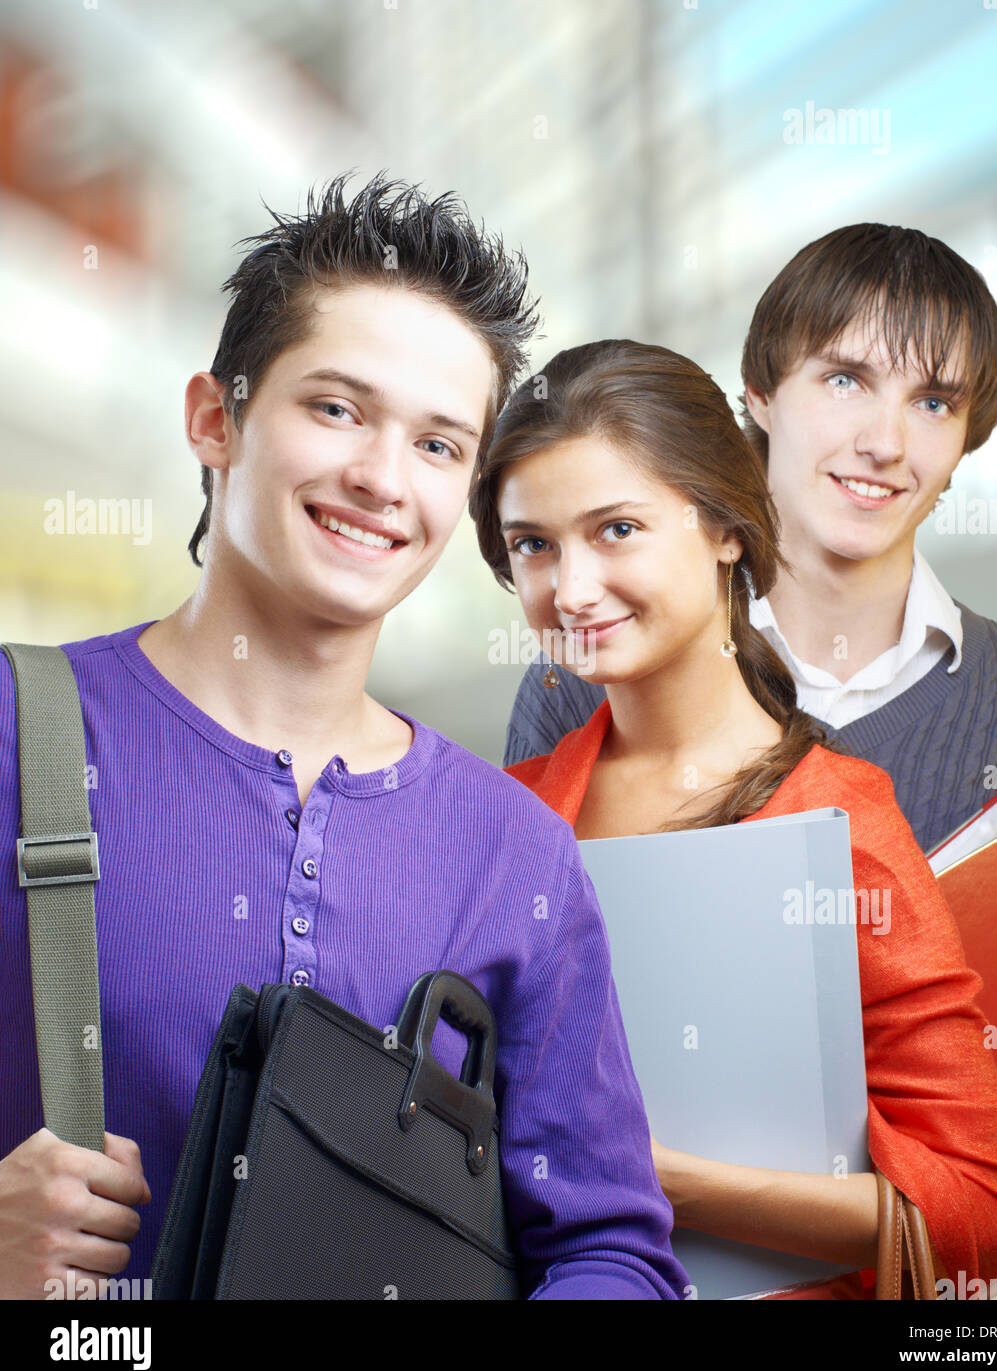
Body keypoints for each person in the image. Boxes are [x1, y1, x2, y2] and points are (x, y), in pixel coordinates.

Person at [0, 173, 689, 1301]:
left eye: (436, 445)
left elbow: (609, 1246)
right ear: (215, 418)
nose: (379, 478)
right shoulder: (20, 737)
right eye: (335, 409)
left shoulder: (515, 852)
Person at [498, 226, 997, 1284]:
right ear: (758, 395)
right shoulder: (575, 687)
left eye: (934, 402)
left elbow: (985, 1177)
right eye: (847, 378)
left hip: (944, 1287)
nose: (884, 442)